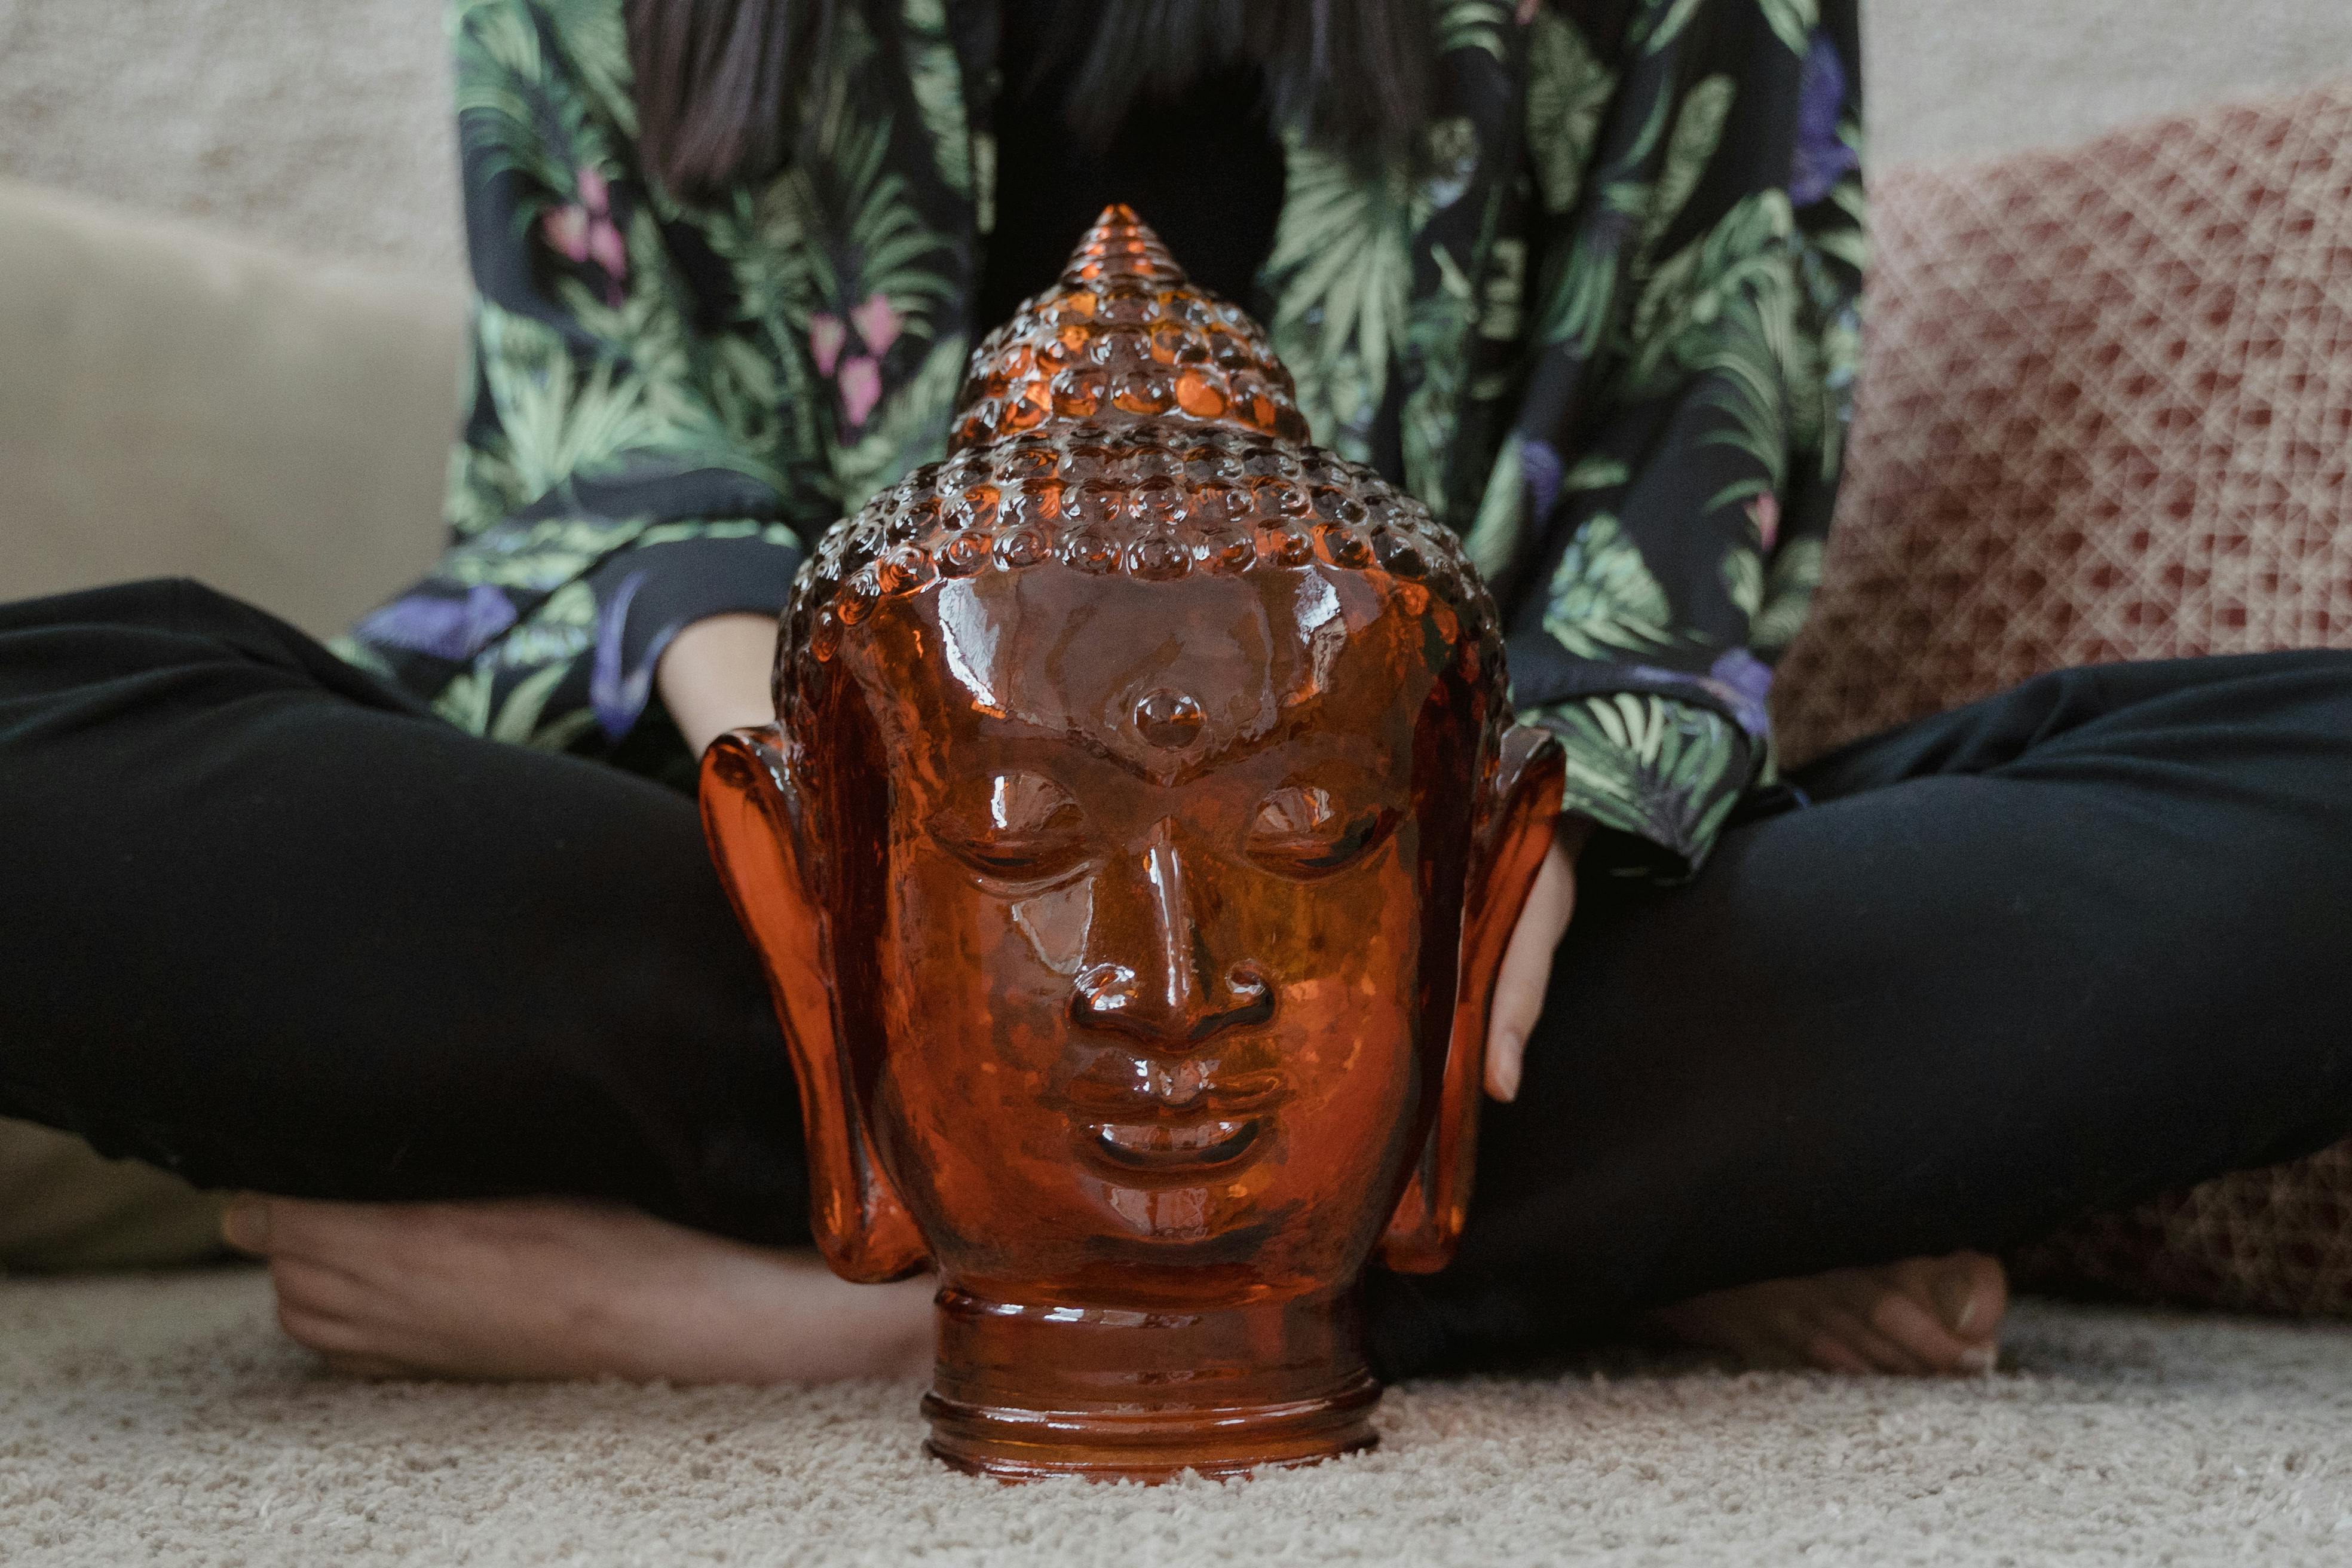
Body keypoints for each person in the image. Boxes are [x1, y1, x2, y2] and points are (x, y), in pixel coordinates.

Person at [5, 0, 2349, 1387]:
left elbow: (1688, 473)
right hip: (760, 873)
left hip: (1416, 918)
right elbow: (614, 459)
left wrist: (1532, 831)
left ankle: (823, 1307)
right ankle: (1538, 1247)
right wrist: (846, 874)